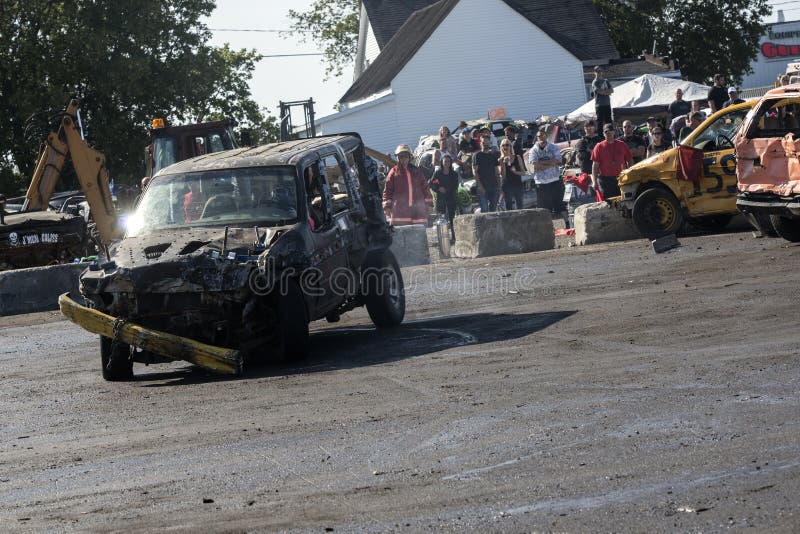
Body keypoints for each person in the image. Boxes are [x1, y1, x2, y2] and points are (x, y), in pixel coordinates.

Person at [382, 144, 432, 225]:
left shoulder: (417, 172)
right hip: (400, 213)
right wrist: (387, 207)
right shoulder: (393, 173)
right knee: (401, 236)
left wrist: (429, 204)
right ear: (398, 158)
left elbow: (425, 189)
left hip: (417, 212)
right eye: (401, 156)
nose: (403, 158)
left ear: (409, 157)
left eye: (405, 156)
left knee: (419, 236)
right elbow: (387, 191)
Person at [590, 123, 632, 198]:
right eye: (606, 132)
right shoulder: (599, 147)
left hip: (621, 178)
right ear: (603, 134)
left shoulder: (622, 144)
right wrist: (594, 181)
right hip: (606, 181)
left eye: (610, 131)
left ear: (614, 132)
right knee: (609, 203)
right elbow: (595, 166)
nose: (609, 133)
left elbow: (630, 161)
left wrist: (630, 175)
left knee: (624, 201)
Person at [528, 129, 563, 217]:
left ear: (546, 136)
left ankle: (566, 224)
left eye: (543, 135)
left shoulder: (553, 147)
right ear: (537, 138)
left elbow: (558, 161)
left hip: (555, 180)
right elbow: (534, 165)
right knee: (545, 209)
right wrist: (551, 164)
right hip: (541, 182)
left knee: (560, 205)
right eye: (539, 136)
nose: (541, 138)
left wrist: (541, 162)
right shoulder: (533, 150)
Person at [429, 152, 459, 242]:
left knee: (452, 219)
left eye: (448, 162)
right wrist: (439, 189)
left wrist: (446, 189)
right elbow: (432, 184)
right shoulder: (438, 173)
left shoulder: (454, 174)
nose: (447, 163)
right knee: (441, 219)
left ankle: (454, 237)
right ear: (442, 162)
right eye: (445, 161)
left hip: (451, 198)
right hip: (441, 199)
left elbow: (455, 185)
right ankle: (443, 238)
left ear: (450, 163)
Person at [472, 137, 500, 212]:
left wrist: (499, 186)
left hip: (493, 186)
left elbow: (497, 171)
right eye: (483, 142)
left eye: (487, 142)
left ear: (490, 143)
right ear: (480, 143)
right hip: (482, 187)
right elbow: (474, 171)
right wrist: (480, 186)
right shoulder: (477, 155)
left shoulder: (493, 155)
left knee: (493, 209)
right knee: (484, 209)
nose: (485, 144)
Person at [498, 138, 527, 210]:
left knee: (520, 205)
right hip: (507, 185)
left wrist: (515, 172)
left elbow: (523, 173)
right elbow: (503, 175)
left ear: (510, 147)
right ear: (501, 147)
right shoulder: (500, 160)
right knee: (509, 206)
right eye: (503, 145)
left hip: (517, 183)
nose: (505, 147)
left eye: (507, 145)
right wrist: (503, 163)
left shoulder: (517, 157)